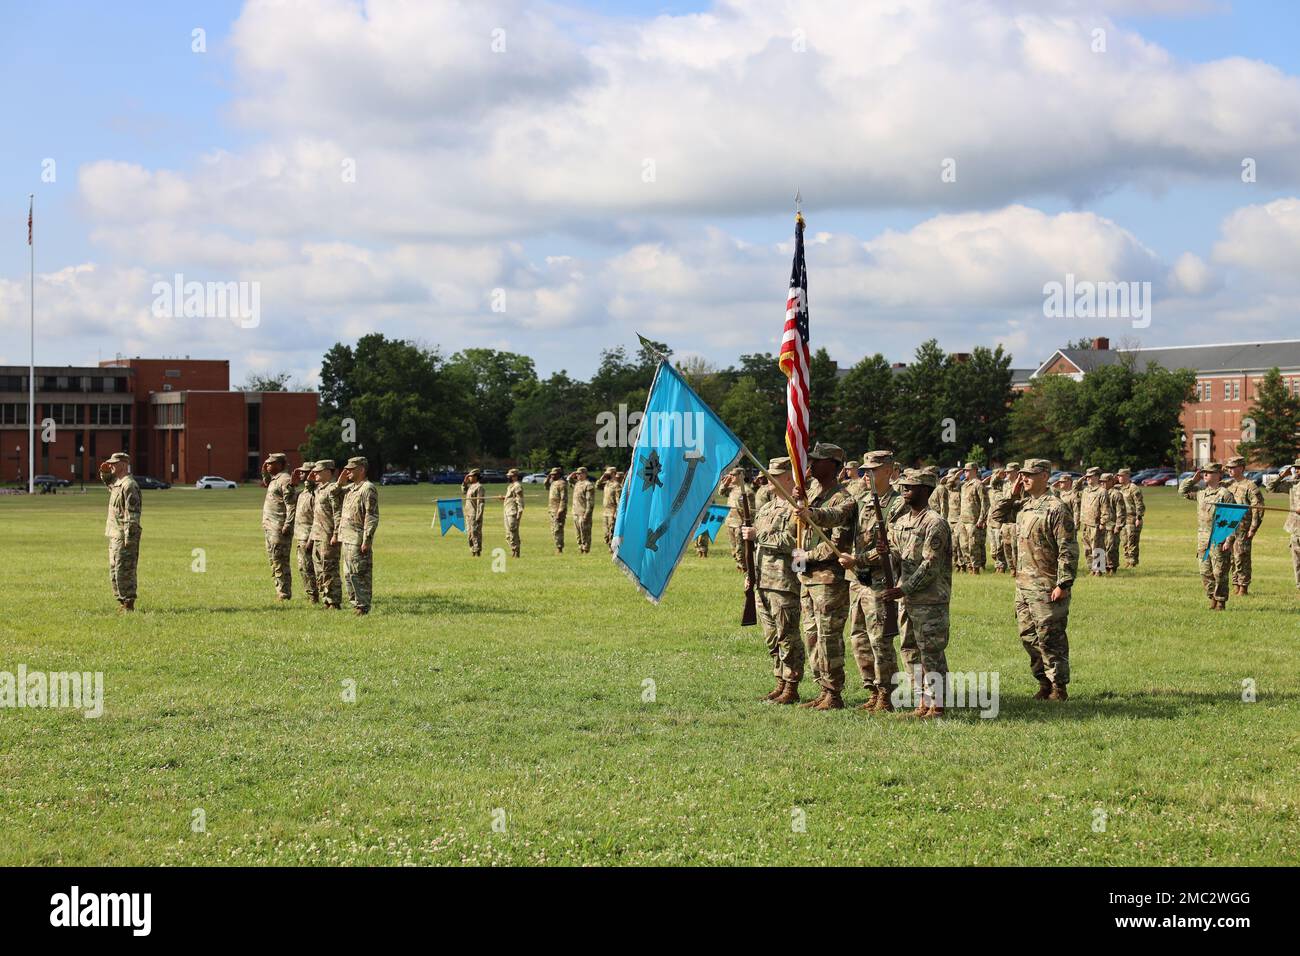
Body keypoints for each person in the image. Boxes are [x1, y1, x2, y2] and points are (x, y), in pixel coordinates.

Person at [991, 458, 1078, 701]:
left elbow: (1067, 548)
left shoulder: (1056, 508)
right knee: (1028, 636)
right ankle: (1043, 682)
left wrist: (1064, 583)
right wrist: (1012, 492)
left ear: (1045, 476)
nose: (1024, 478)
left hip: (1047, 585)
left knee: (1050, 636)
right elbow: (996, 515)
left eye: (1030, 474)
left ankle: (1058, 686)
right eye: (1023, 474)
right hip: (1023, 585)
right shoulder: (1023, 506)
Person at [881, 469, 953, 718]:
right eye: (903, 486)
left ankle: (938, 704)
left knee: (931, 652)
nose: (904, 490)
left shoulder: (935, 523)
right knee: (909, 650)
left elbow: (930, 566)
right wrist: (877, 554)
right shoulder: (901, 523)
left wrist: (903, 589)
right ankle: (921, 701)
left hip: (930, 600)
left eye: (910, 486)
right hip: (906, 599)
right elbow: (895, 556)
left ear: (925, 490)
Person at [791, 443, 856, 711]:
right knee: (812, 635)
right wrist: (800, 501)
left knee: (828, 636)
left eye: (818, 460)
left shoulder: (844, 498)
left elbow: (836, 534)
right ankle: (822, 687)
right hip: (809, 578)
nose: (812, 464)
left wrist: (806, 555)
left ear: (833, 465)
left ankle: (834, 692)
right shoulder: (813, 493)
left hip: (829, 578)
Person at [741, 456, 805, 705]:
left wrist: (759, 535)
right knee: (771, 637)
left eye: (774, 476)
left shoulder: (797, 508)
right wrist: (750, 575)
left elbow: (793, 542)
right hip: (762, 580)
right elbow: (754, 548)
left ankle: (792, 684)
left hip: (784, 581)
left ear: (788, 477)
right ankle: (779, 680)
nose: (768, 481)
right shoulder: (767, 507)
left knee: (787, 636)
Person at [1178, 463, 1239, 610]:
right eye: (1204, 472)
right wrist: (1193, 479)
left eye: (1209, 472)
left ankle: (1221, 601)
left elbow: (1232, 519)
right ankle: (1212, 596)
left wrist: (1229, 540)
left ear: (1218, 475)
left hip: (1219, 538)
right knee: (1205, 571)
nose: (1205, 475)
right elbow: (1182, 492)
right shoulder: (1201, 493)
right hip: (1203, 539)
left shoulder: (1225, 494)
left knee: (1220, 572)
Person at [99, 451, 141, 612]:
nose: (111, 466)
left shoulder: (129, 485)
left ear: (123, 465)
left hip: (124, 535)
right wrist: (104, 473)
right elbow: (109, 484)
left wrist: (129, 538)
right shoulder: (118, 483)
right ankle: (122, 602)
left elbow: (133, 514)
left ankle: (128, 604)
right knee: (114, 570)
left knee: (124, 570)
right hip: (114, 534)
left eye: (113, 464)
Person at [338, 456, 379, 615]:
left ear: (361, 469)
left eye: (351, 469)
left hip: (357, 538)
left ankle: (363, 606)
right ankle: (355, 604)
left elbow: (372, 515)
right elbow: (333, 496)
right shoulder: (351, 488)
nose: (347, 471)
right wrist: (340, 483)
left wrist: (367, 539)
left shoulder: (367, 488)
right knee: (348, 574)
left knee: (359, 573)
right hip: (346, 538)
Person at [260, 452, 298, 601]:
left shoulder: (285, 480)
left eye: (271, 463)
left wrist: (288, 525)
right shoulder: (275, 479)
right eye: (267, 463)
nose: (268, 465)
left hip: (279, 528)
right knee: (273, 560)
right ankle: (280, 590)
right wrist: (264, 471)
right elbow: (267, 482)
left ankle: (284, 593)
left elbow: (291, 504)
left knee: (280, 561)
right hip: (270, 527)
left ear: (281, 464)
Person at [1224, 455, 1264, 594]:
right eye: (1228, 468)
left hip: (1244, 528)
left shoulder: (1250, 486)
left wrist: (1253, 528)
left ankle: (1243, 586)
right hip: (1230, 527)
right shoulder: (1229, 485)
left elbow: (1258, 508)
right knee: (1231, 557)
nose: (1229, 470)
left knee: (1242, 556)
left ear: (1241, 468)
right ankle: (1235, 584)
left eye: (1232, 468)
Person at [311, 460, 344, 609]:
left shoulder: (332, 489)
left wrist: (336, 534)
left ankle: (334, 601)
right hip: (317, 535)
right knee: (319, 570)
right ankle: (326, 599)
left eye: (319, 471)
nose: (315, 474)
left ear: (328, 472)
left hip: (328, 535)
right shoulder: (318, 490)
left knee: (330, 569)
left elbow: (337, 513)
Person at [292, 464, 319, 603]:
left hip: (310, 537)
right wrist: (292, 482)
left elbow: (318, 519)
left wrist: (311, 539)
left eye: (304, 472)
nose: (300, 474)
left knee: (312, 568)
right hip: (300, 536)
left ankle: (316, 595)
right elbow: (288, 499)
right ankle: (311, 594)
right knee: (304, 567)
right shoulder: (302, 493)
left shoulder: (316, 494)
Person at [721, 468, 756, 573]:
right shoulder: (732, 489)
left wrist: (747, 523)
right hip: (730, 522)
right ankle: (739, 566)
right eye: (730, 474)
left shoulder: (747, 490)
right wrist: (725, 483)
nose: (731, 477)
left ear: (741, 476)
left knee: (740, 548)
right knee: (734, 548)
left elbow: (751, 510)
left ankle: (744, 568)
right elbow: (721, 492)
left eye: (733, 475)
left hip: (740, 523)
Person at [1078, 467, 1111, 576]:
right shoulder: (1086, 490)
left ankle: (1099, 570)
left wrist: (1103, 522)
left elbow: (1105, 509)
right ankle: (1092, 568)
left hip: (1096, 524)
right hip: (1086, 523)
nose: (1087, 479)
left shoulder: (1102, 491)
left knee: (1097, 548)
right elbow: (1075, 488)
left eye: (1090, 477)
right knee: (1087, 548)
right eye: (1086, 477)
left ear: (1097, 477)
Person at [1275, 459, 1300, 590]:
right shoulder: (1292, 484)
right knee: (1296, 560)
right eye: (1296, 468)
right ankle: (1299, 586)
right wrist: (1281, 476)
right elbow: (1270, 487)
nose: (1298, 470)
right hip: (1295, 528)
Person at [959, 460, 988, 574]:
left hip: (973, 520)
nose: (965, 472)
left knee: (973, 545)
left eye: (967, 470)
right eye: (965, 471)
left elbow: (985, 503)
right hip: (963, 520)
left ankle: (975, 568)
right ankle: (969, 565)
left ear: (974, 471)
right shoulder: (964, 485)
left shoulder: (978, 484)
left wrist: (981, 519)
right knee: (964, 545)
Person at [1115, 468, 1144, 567]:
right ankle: (1128, 560)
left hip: (1132, 519)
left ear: (1127, 476)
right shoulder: (1120, 488)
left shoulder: (1133, 488)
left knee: (1132, 541)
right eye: (1118, 476)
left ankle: (1133, 562)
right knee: (1125, 542)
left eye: (1121, 476)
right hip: (1123, 520)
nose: (1118, 477)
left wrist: (1138, 518)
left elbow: (1139, 504)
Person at [1102, 473, 1127, 575]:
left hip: (1112, 526)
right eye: (1101, 482)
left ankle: (1112, 567)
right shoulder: (1101, 493)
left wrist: (1118, 525)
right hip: (1101, 525)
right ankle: (1100, 568)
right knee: (1100, 547)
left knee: (1111, 547)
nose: (1103, 484)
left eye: (1105, 481)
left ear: (1111, 481)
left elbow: (1120, 511)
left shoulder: (1116, 494)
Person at [569, 466, 596, 554]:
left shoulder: (588, 485)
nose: (577, 475)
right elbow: (569, 480)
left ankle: (586, 549)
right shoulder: (577, 484)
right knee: (578, 532)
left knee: (585, 532)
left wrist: (587, 514)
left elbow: (590, 501)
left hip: (583, 512)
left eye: (579, 474)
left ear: (584, 474)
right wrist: (571, 476)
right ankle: (580, 547)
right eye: (577, 474)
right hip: (576, 512)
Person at [986, 467, 1008, 573]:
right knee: (993, 548)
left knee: (1000, 546)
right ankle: (997, 565)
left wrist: (1001, 475)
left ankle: (1001, 567)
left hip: (999, 522)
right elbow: (993, 481)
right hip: (990, 522)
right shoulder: (991, 490)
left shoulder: (1005, 487)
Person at [500, 468, 524, 557]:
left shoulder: (517, 486)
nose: (508, 477)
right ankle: (513, 550)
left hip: (512, 512)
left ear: (514, 476)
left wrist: (519, 513)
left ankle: (516, 552)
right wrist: (504, 498)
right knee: (508, 534)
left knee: (513, 532)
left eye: (509, 476)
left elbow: (520, 500)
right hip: (507, 511)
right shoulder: (510, 486)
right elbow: (511, 498)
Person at [596, 466, 621, 552]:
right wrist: (602, 477)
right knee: (605, 532)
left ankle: (612, 548)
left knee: (611, 530)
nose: (607, 474)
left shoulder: (616, 485)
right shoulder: (606, 483)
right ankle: (609, 546)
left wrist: (616, 512)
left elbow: (619, 501)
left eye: (608, 473)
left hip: (612, 511)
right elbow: (597, 486)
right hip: (605, 511)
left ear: (613, 473)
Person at [463, 468, 486, 557]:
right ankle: (472, 550)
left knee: (475, 533)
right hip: (468, 514)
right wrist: (464, 482)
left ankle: (477, 551)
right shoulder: (470, 487)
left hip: (474, 514)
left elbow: (480, 503)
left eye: (471, 476)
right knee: (469, 534)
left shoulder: (479, 487)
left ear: (476, 477)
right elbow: (463, 491)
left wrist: (479, 516)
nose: (469, 478)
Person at [545, 467, 568, 554]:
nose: (552, 476)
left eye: (554, 474)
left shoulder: (562, 484)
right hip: (552, 510)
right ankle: (557, 546)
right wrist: (548, 478)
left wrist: (560, 511)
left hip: (558, 510)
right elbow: (546, 486)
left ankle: (559, 548)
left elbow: (563, 499)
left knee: (558, 529)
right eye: (551, 474)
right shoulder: (553, 483)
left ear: (558, 474)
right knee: (554, 529)